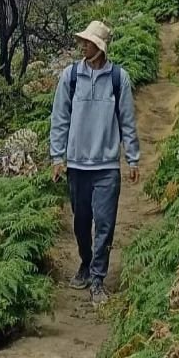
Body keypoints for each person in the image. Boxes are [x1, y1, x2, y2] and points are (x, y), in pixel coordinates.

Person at [50, 19, 140, 305]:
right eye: (83, 41)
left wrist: (133, 159)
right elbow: (59, 118)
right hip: (77, 165)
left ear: (100, 47)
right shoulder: (70, 76)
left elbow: (127, 121)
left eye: (88, 42)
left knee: (104, 223)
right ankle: (86, 263)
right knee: (81, 222)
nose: (83, 46)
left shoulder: (118, 79)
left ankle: (98, 278)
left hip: (107, 167)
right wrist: (57, 157)